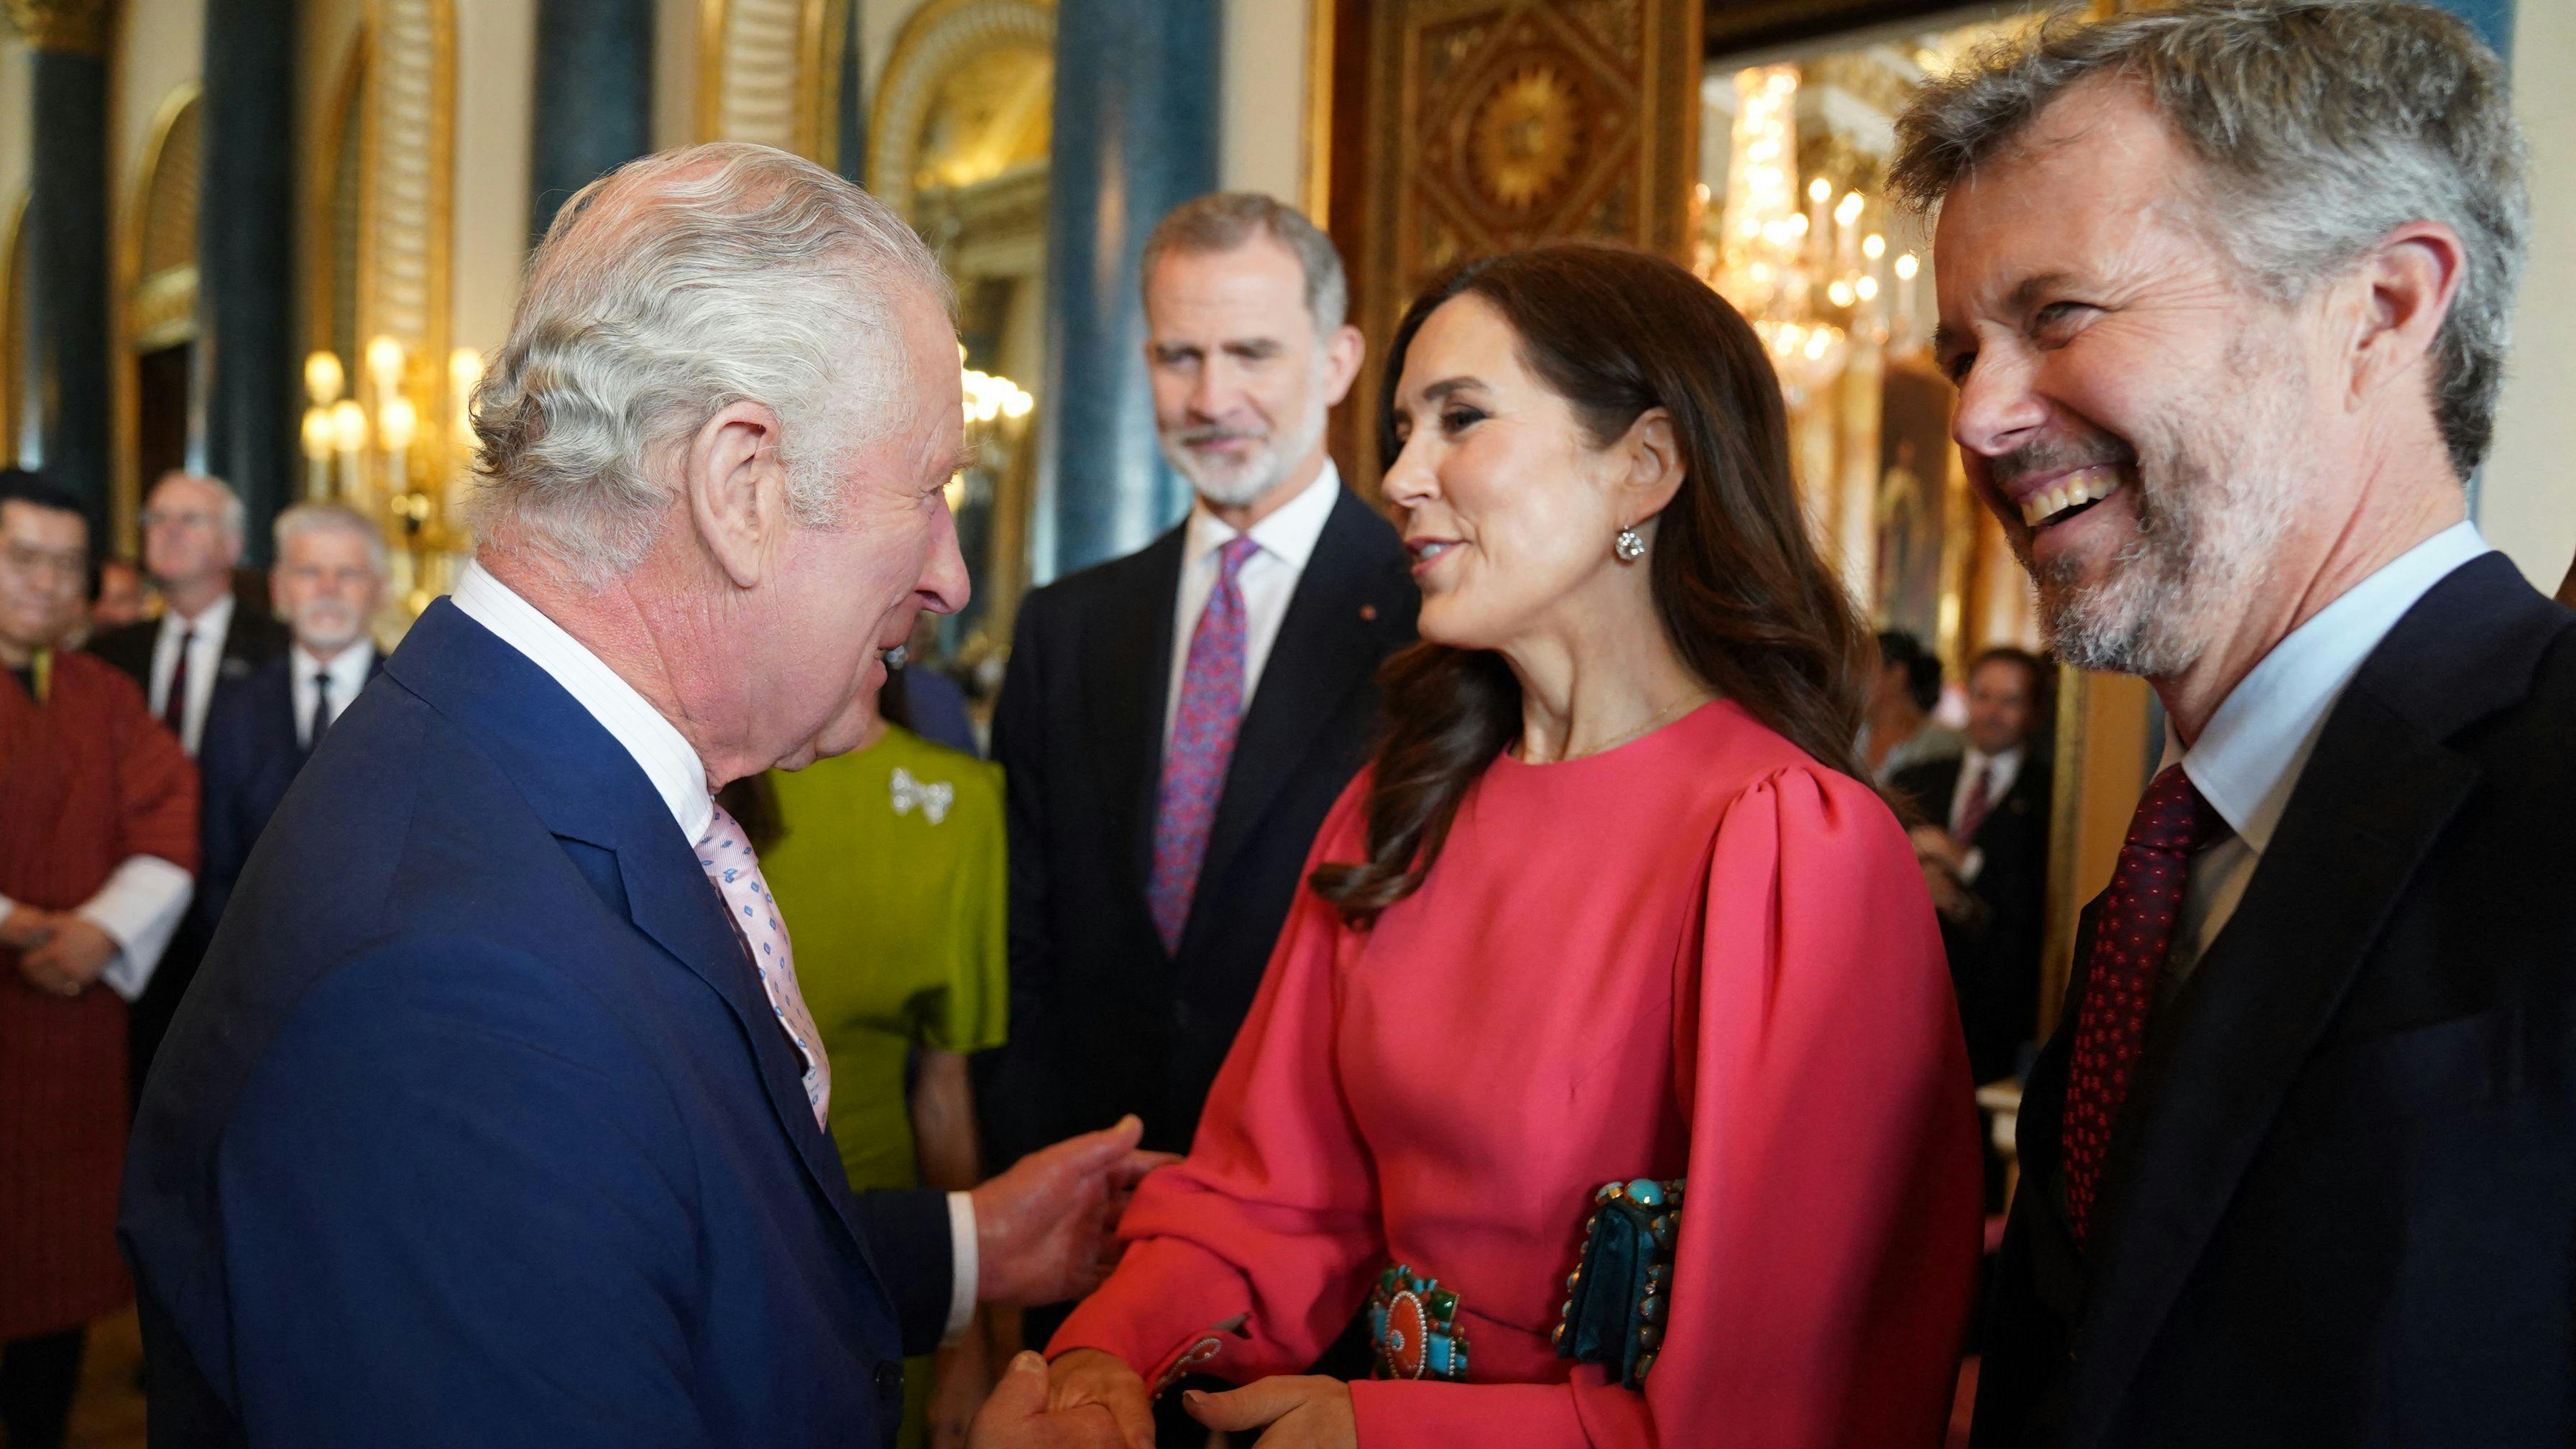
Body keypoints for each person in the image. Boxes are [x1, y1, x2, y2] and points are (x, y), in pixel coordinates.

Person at [120, 143, 1162, 1449]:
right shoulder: (454, 995)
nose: (951, 573)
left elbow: (642, 1234)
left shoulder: (524, 775)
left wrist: (968, 1243)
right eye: (928, 491)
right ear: (740, 487)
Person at [1044, 244, 1982, 1449]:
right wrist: (1101, 1357)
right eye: (1398, 429)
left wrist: (1380, 1432)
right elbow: (1266, 1198)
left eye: (1459, 421)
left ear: (1642, 467)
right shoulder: (1398, 805)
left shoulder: (1788, 842)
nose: (1397, 476)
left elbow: (1778, 1402)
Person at [1891, 3, 2572, 1443]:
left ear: (2379, 309)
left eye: (2057, 315)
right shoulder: (2173, 858)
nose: (1975, 419)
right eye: (1963, 354)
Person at [984, 193, 1417, 1176]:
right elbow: (1022, 938)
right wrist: (1039, 1157)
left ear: (1339, 362)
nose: (1213, 398)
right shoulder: (1067, 628)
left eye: (1253, 354)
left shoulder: (1428, 625)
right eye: (1182, 357)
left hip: (1320, 1216)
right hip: (1085, 1200)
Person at [758, 691, 1012, 1449]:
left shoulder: (958, 803)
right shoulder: (694, 772)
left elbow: (946, 1095)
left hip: (879, 1259)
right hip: (691, 1242)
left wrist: (967, 1341)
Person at [0, 471, 196, 1449]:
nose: (45, 584)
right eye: (22, 558)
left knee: (51, 1296)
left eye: (65, 566)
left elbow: (170, 814)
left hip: (71, 1044)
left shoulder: (103, 696)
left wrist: (103, 931)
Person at [88, 470, 289, 1102]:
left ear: (232, 545)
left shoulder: (282, 651)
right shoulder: (108, 653)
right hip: (126, 919)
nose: (167, 533)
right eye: (155, 520)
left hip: (237, 922)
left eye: (188, 520)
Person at [194, 503, 388, 928]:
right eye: (309, 572)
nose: (328, 588)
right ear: (279, 589)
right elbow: (215, 863)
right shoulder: (234, 707)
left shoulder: (419, 707)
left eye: (348, 574)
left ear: (381, 590)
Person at [1897, 647, 2053, 1087]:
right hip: (1911, 998)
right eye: (1983, 696)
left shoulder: (2053, 795)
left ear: (2036, 712)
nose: (1993, 712)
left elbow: (2040, 900)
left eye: (2010, 701)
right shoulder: (1916, 779)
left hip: (1997, 1013)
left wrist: (1966, 862)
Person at [1859, 629, 1962, 783]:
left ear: (1897, 674)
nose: (1853, 678)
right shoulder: (1852, 734)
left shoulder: (1943, 743)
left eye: (1864, 668)